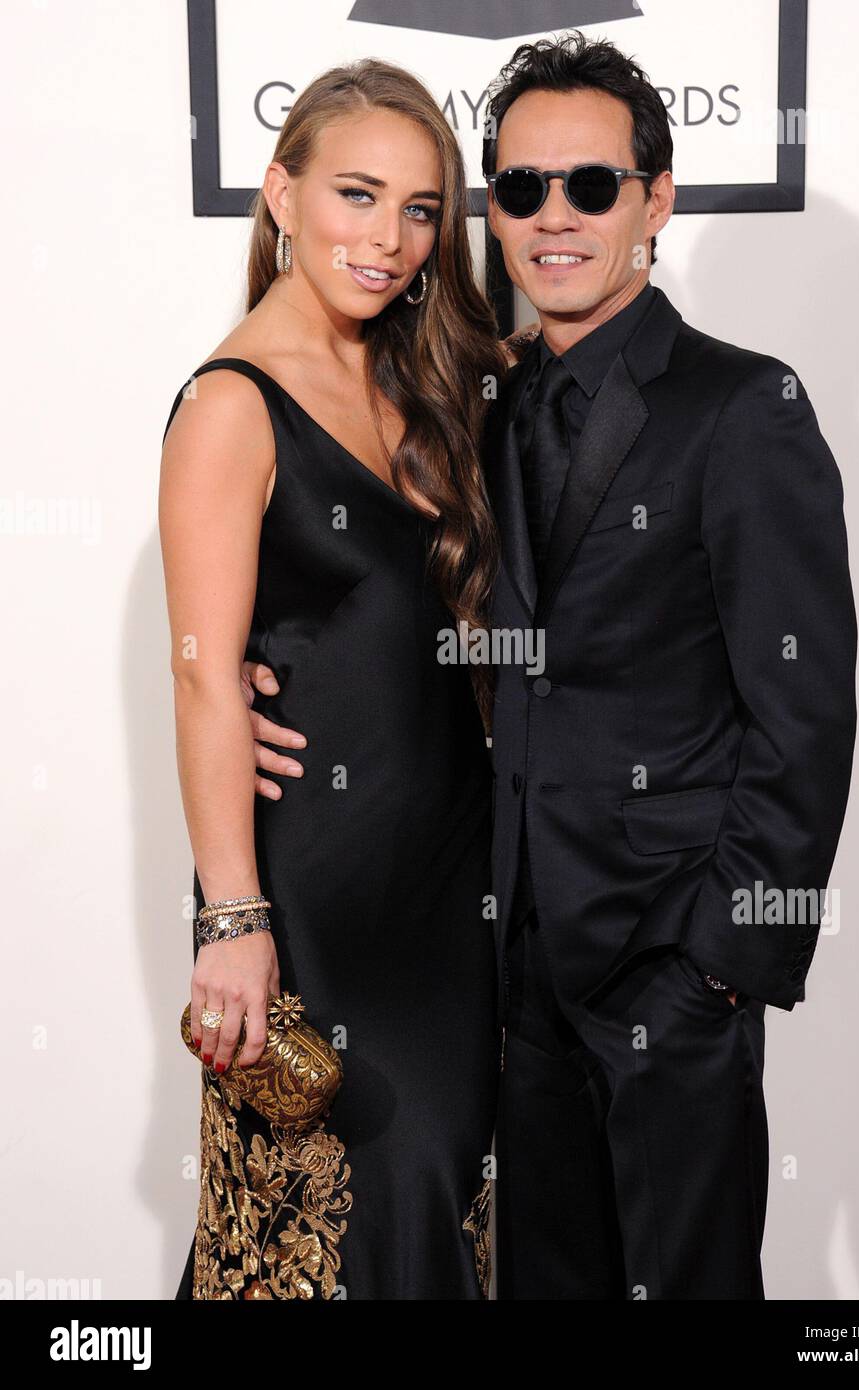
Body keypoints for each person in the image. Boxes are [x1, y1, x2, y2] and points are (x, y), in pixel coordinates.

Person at [245, 30, 858, 1300]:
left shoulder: (744, 408)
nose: (554, 217)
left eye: (590, 184)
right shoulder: (473, 401)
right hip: (508, 976)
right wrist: (274, 676)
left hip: (670, 970)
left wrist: (717, 963)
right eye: (521, 188)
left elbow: (805, 716)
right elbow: (373, 581)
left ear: (655, 200)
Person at [159, 59, 507, 1300]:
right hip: (316, 885)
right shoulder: (230, 405)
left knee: (452, 1183)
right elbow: (205, 681)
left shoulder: (427, 372)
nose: (389, 239)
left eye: (419, 210)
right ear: (280, 194)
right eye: (356, 195)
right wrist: (233, 922)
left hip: (455, 873)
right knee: (343, 1208)